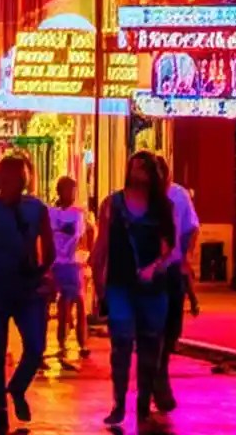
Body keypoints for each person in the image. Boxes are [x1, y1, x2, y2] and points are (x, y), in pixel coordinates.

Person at [0, 156, 56, 434]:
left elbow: (49, 247)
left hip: (26, 287)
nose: (10, 182)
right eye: (6, 176)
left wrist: (41, 273)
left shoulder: (36, 208)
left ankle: (16, 387)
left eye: (16, 176)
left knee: (36, 346)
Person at [92, 151, 176, 426]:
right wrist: (98, 279)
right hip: (120, 285)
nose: (139, 171)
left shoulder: (163, 206)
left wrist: (155, 266)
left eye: (144, 167)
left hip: (153, 287)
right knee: (122, 343)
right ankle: (119, 403)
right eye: (135, 166)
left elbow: (169, 244)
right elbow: (101, 244)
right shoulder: (112, 205)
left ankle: (142, 404)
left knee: (151, 345)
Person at [152, 154, 199, 413]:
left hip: (172, 270)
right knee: (153, 328)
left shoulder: (179, 196)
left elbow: (191, 228)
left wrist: (187, 258)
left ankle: (160, 371)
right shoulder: (143, 197)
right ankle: (158, 381)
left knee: (171, 329)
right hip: (149, 272)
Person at [49, 176, 92, 361]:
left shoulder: (78, 213)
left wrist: (86, 255)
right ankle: (61, 341)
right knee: (61, 305)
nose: (72, 194)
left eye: (74, 190)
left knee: (79, 302)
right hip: (56, 263)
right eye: (69, 190)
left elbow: (88, 233)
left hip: (73, 263)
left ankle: (82, 343)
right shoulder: (51, 212)